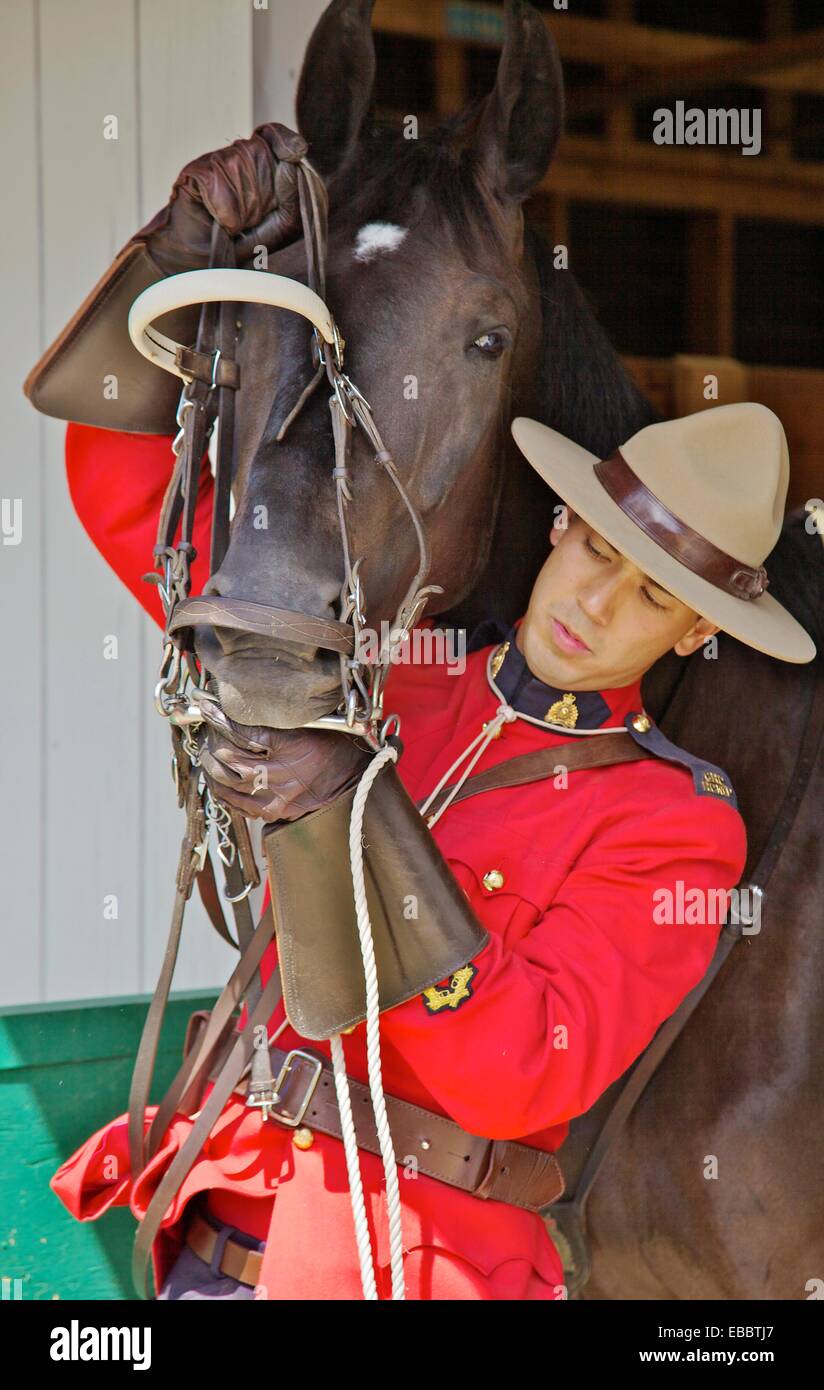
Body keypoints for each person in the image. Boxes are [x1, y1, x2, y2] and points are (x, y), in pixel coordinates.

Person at [48, 392, 815, 1301]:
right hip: (209, 1231)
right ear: (562, 526)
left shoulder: (672, 826)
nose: (598, 605)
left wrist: (348, 815)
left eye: (653, 595)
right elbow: (132, 497)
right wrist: (170, 288)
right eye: (598, 552)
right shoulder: (390, 667)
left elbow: (525, 1074)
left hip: (400, 1273)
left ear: (697, 631)